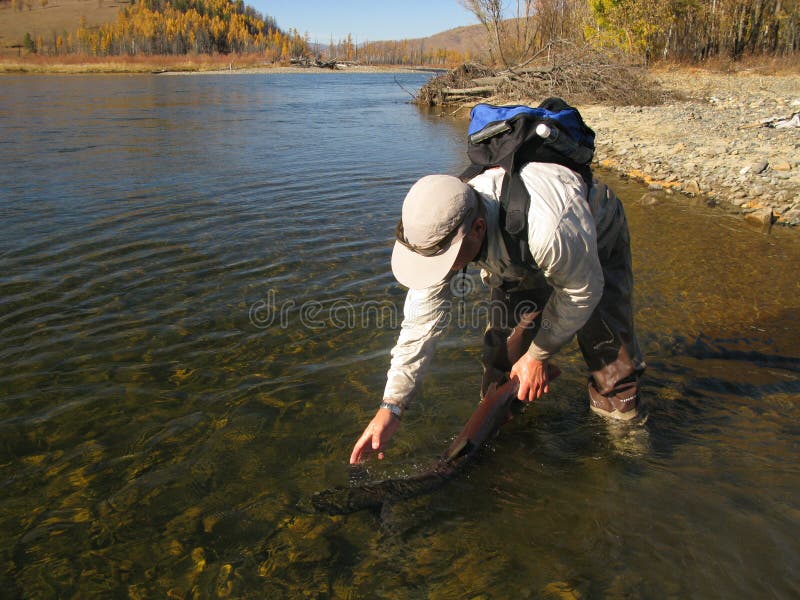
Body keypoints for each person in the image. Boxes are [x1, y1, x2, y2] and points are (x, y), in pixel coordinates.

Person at [349, 165, 645, 464]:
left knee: (605, 344)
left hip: (591, 234)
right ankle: (501, 437)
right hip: (513, 253)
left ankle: (627, 440)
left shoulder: (549, 228)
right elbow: (419, 327)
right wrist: (392, 406)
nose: (439, 270)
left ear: (477, 229)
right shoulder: (436, 231)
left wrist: (539, 355)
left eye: (445, 260)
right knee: (504, 355)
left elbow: (582, 292)